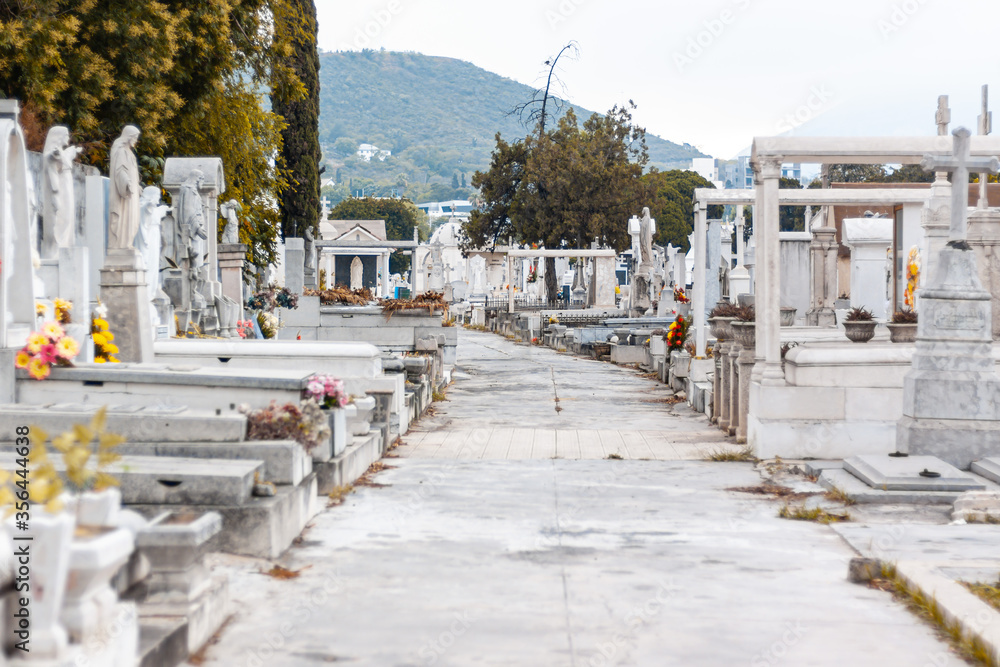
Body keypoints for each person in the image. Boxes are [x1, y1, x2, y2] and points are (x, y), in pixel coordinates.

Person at [107, 126, 142, 249]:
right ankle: (122, 244)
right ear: (129, 137)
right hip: (125, 191)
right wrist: (127, 183)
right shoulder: (121, 151)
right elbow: (120, 170)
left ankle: (127, 243)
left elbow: (132, 172)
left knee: (132, 219)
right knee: (125, 216)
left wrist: (136, 186)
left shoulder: (130, 153)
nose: (136, 140)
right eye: (135, 137)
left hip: (131, 191)